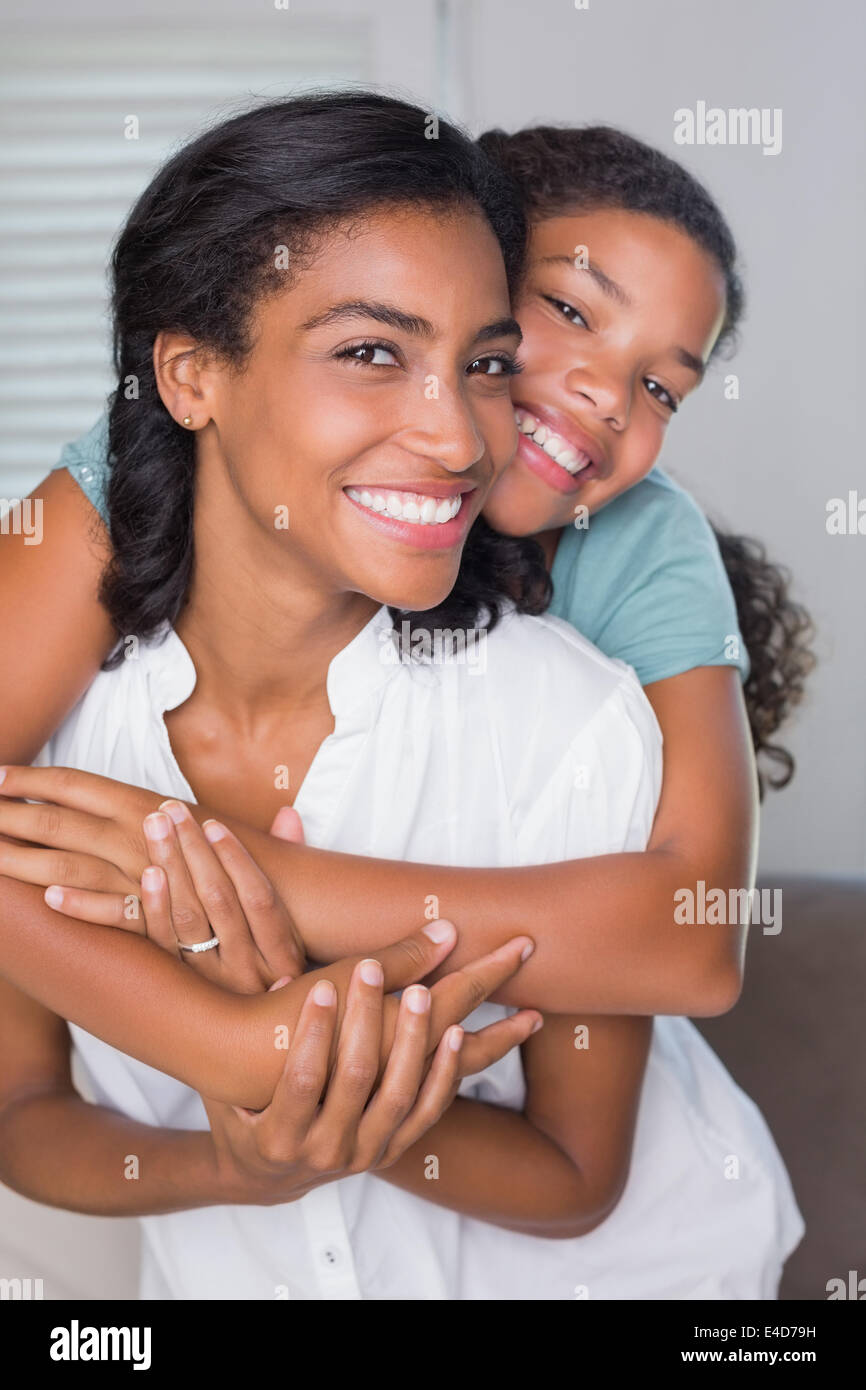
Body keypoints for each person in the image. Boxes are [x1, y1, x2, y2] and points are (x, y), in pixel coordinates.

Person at [0, 95, 803, 1298]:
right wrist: (240, 1065)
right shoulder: (143, 488)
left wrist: (244, 892)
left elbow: (693, 937)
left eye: (660, 385)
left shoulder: (625, 582)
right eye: (566, 314)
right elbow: (32, 1110)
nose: (601, 395)